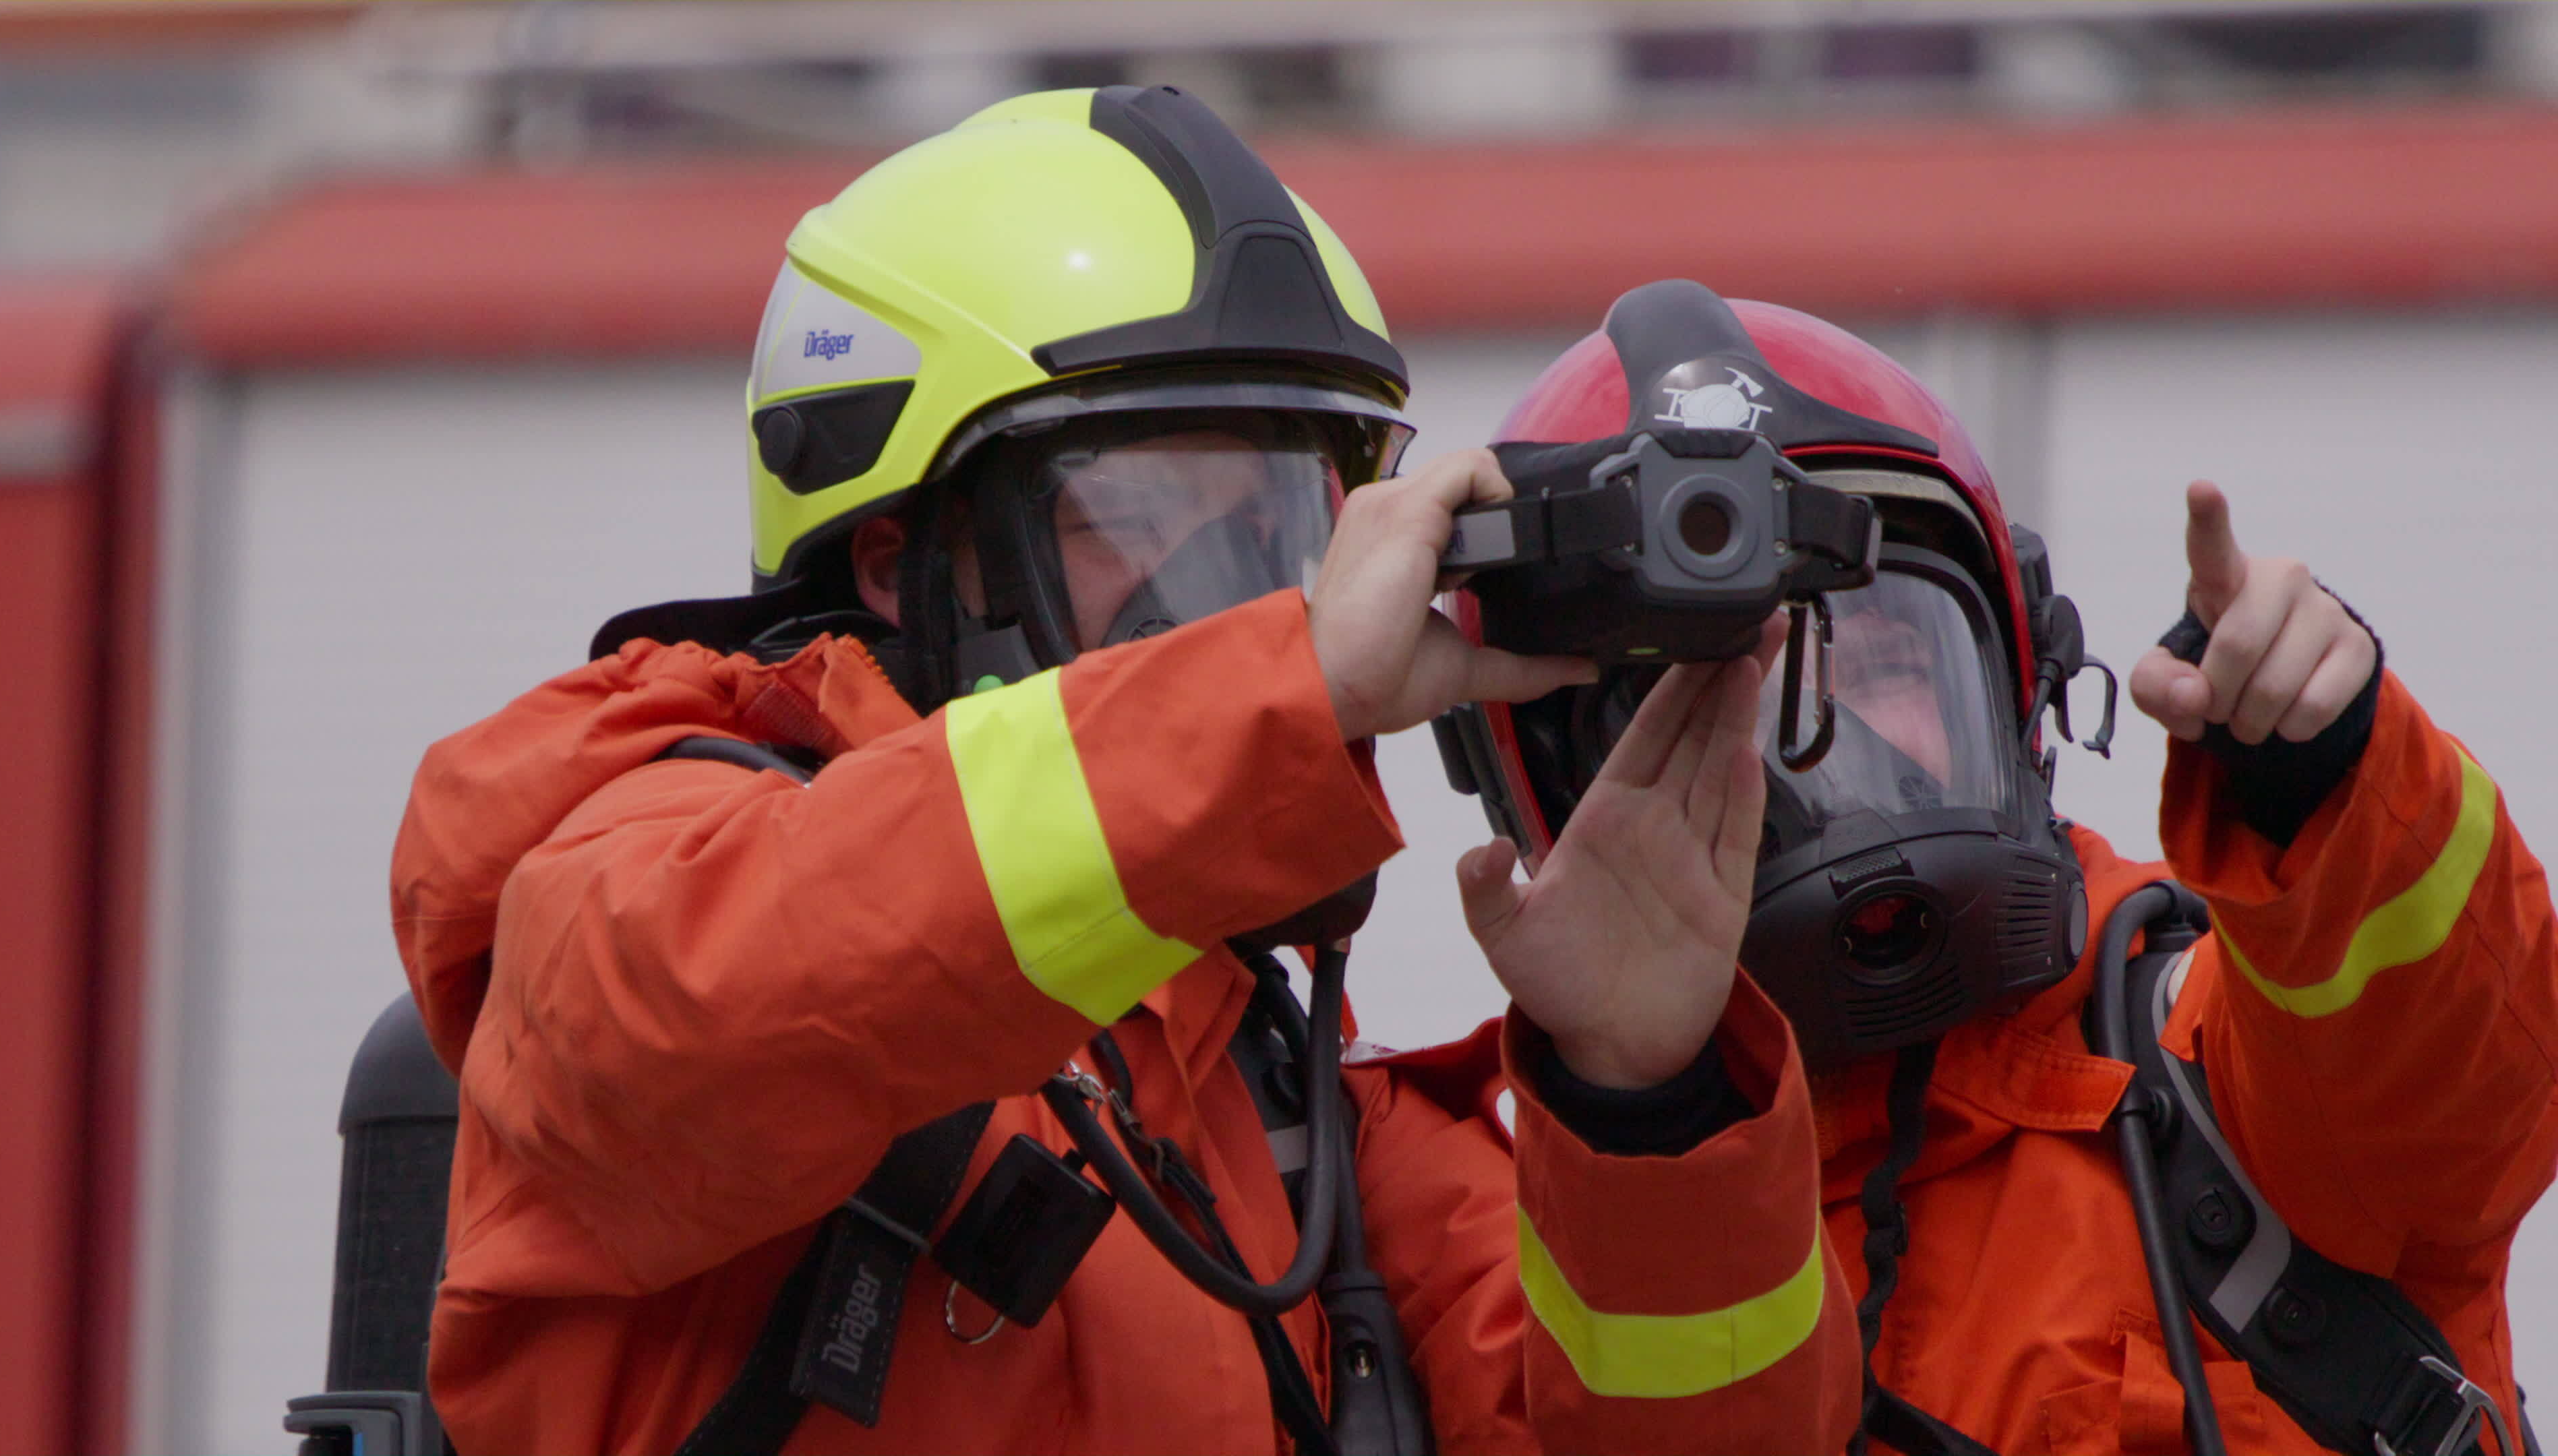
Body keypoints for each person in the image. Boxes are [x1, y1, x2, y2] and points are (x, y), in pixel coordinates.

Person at [389, 90, 1859, 1454]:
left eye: (1282, 519)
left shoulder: (1283, 1101)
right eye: (1146, 514)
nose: (1240, 600)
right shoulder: (640, 854)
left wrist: (1642, 1101)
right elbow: (725, 1004)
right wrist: (1269, 707)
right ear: (912, 563)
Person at [1444, 279, 2556, 1455]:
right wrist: (1648, 1114)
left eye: (1877, 657)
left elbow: (2466, 1092)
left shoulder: (2223, 1074)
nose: (1811, 759)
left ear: (2017, 681)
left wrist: (2328, 784)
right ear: (1543, 801)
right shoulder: (1522, 1276)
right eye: (1690, 706)